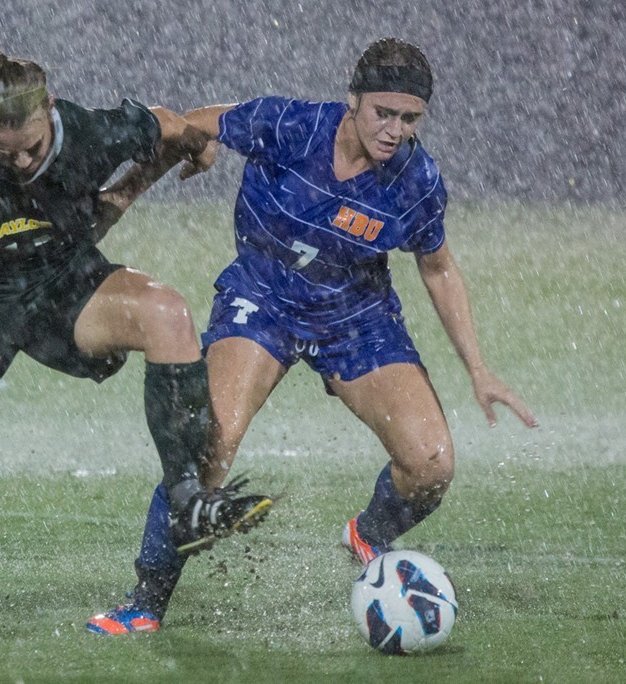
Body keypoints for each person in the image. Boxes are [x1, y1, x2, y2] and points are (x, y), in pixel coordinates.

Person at [0, 0, 272, 637]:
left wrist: (190, 150)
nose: (18, 163)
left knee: (167, 312)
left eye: (30, 148)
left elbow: (169, 125)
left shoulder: (90, 131)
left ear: (51, 109)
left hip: (65, 283)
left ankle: (186, 498)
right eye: (2, 153)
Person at [86, 37, 537, 636]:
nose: (395, 130)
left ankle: (369, 534)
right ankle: (145, 599)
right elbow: (190, 125)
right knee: (208, 450)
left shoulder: (416, 181)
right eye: (384, 113)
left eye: (410, 118)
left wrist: (478, 368)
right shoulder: (290, 125)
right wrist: (148, 178)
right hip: (263, 298)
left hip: (356, 317)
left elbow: (438, 266)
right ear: (352, 99)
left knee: (431, 465)